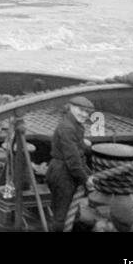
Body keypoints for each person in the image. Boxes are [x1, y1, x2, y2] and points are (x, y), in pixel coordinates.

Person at [46, 95, 97, 232]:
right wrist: (85, 179)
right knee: (61, 215)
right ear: (70, 107)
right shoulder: (67, 128)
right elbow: (73, 161)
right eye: (81, 110)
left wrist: (85, 145)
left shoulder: (75, 125)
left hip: (67, 170)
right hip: (62, 173)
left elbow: (77, 148)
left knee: (72, 210)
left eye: (87, 112)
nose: (84, 115)